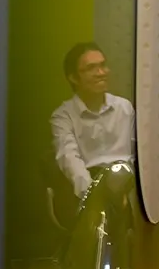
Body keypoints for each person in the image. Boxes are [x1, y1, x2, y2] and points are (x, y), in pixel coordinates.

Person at [50, 42, 135, 198]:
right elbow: (69, 159)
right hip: (89, 191)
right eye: (91, 68)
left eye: (103, 65)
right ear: (74, 78)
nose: (101, 72)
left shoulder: (124, 108)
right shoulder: (63, 116)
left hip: (127, 187)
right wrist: (94, 196)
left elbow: (138, 155)